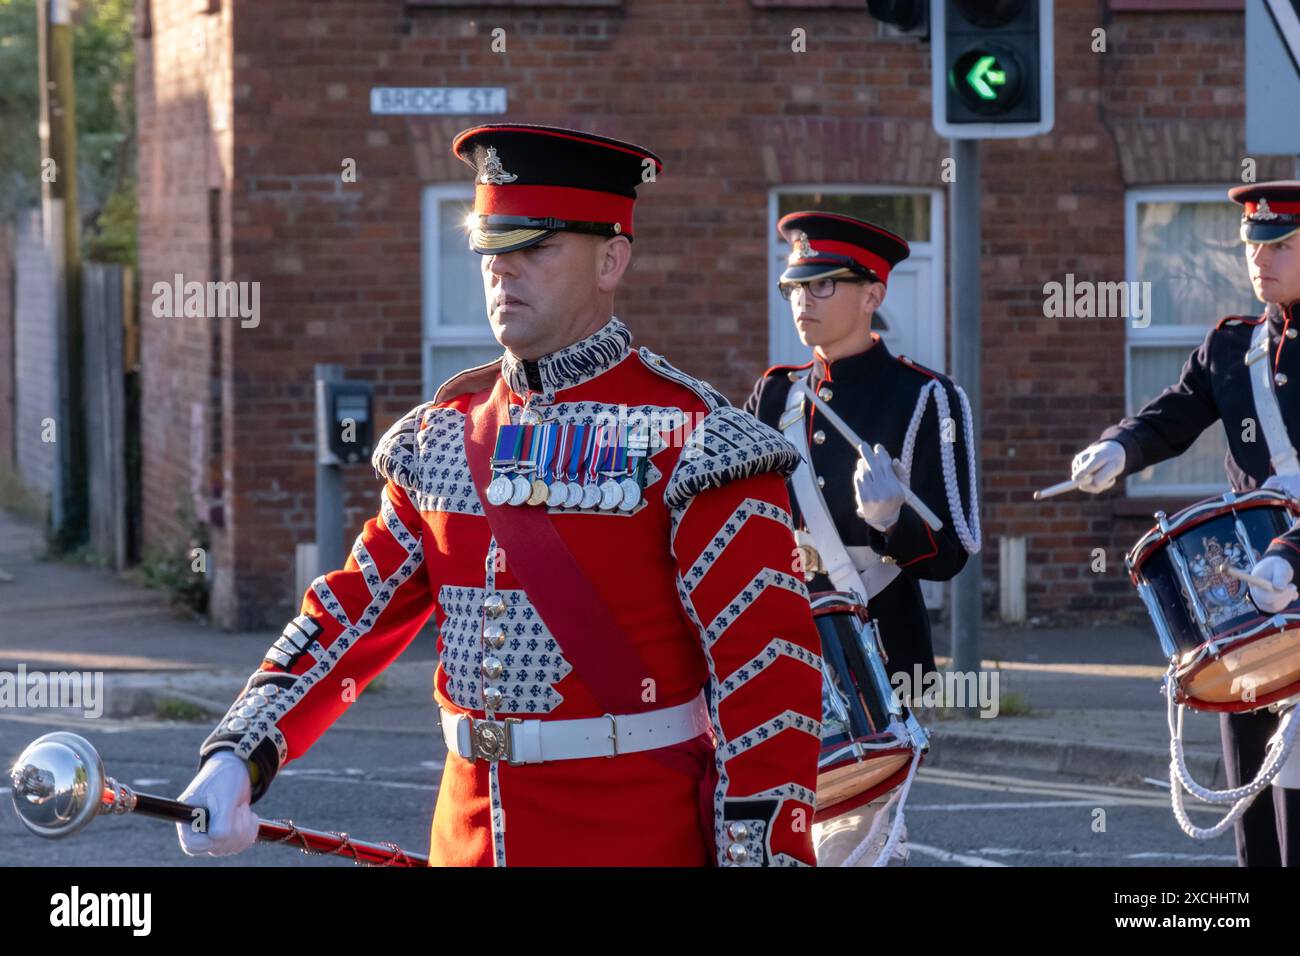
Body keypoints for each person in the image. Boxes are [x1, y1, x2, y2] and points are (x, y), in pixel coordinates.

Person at [174, 124, 824, 866]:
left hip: (633, 835)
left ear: (612, 259)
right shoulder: (443, 438)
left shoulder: (701, 441)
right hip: (467, 837)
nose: (502, 274)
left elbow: (768, 681)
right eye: (492, 252)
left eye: (535, 250)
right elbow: (349, 618)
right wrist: (240, 754)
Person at [1071, 180, 1300, 867]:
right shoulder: (1233, 347)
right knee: (1251, 787)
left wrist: (1291, 553)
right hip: (1253, 587)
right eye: (1253, 245)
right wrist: (1120, 448)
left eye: (1282, 244)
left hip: (1288, 568)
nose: (1262, 258)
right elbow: (1173, 415)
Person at [744, 211, 981, 865]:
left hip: (879, 653)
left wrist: (888, 522)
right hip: (787, 656)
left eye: (823, 286)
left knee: (854, 847)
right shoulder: (774, 396)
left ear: (872, 295)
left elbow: (953, 553)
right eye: (796, 287)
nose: (804, 301)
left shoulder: (927, 398)